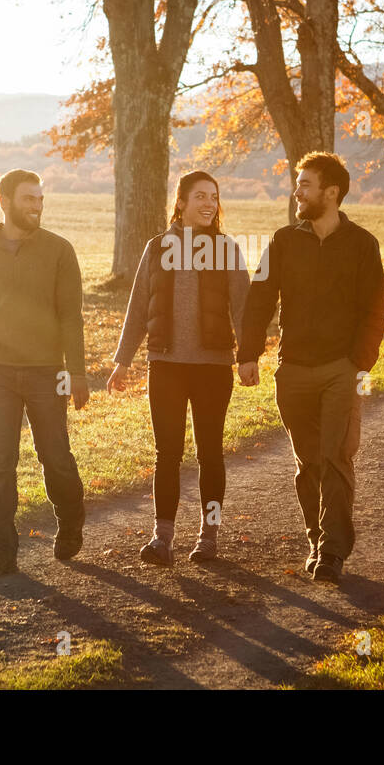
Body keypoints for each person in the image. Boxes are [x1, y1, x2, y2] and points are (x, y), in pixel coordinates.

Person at [238, 152, 384, 584]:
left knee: (336, 456)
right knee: (308, 462)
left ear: (331, 192)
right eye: (297, 184)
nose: (296, 192)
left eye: (305, 185)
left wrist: (360, 362)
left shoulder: (363, 244)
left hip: (342, 369)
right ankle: (316, 538)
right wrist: (249, 353)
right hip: (294, 370)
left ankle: (333, 552)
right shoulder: (283, 242)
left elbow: (373, 310)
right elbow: (259, 299)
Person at [108, 171, 251, 565]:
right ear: (182, 202)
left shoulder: (225, 249)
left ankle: (209, 536)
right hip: (165, 365)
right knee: (166, 454)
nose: (209, 203)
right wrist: (122, 361)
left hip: (212, 366)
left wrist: (248, 357)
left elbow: (242, 306)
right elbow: (138, 307)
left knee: (210, 453)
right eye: (200, 196)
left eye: (214, 197)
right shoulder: (157, 248)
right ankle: (162, 539)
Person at [0, 169, 89, 578]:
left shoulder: (59, 251)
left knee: (55, 457)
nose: (36, 205)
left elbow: (72, 317)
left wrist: (78, 373)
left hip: (47, 372)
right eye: (28, 198)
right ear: (4, 200)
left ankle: (70, 520)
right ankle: (0, 551)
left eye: (39, 198)